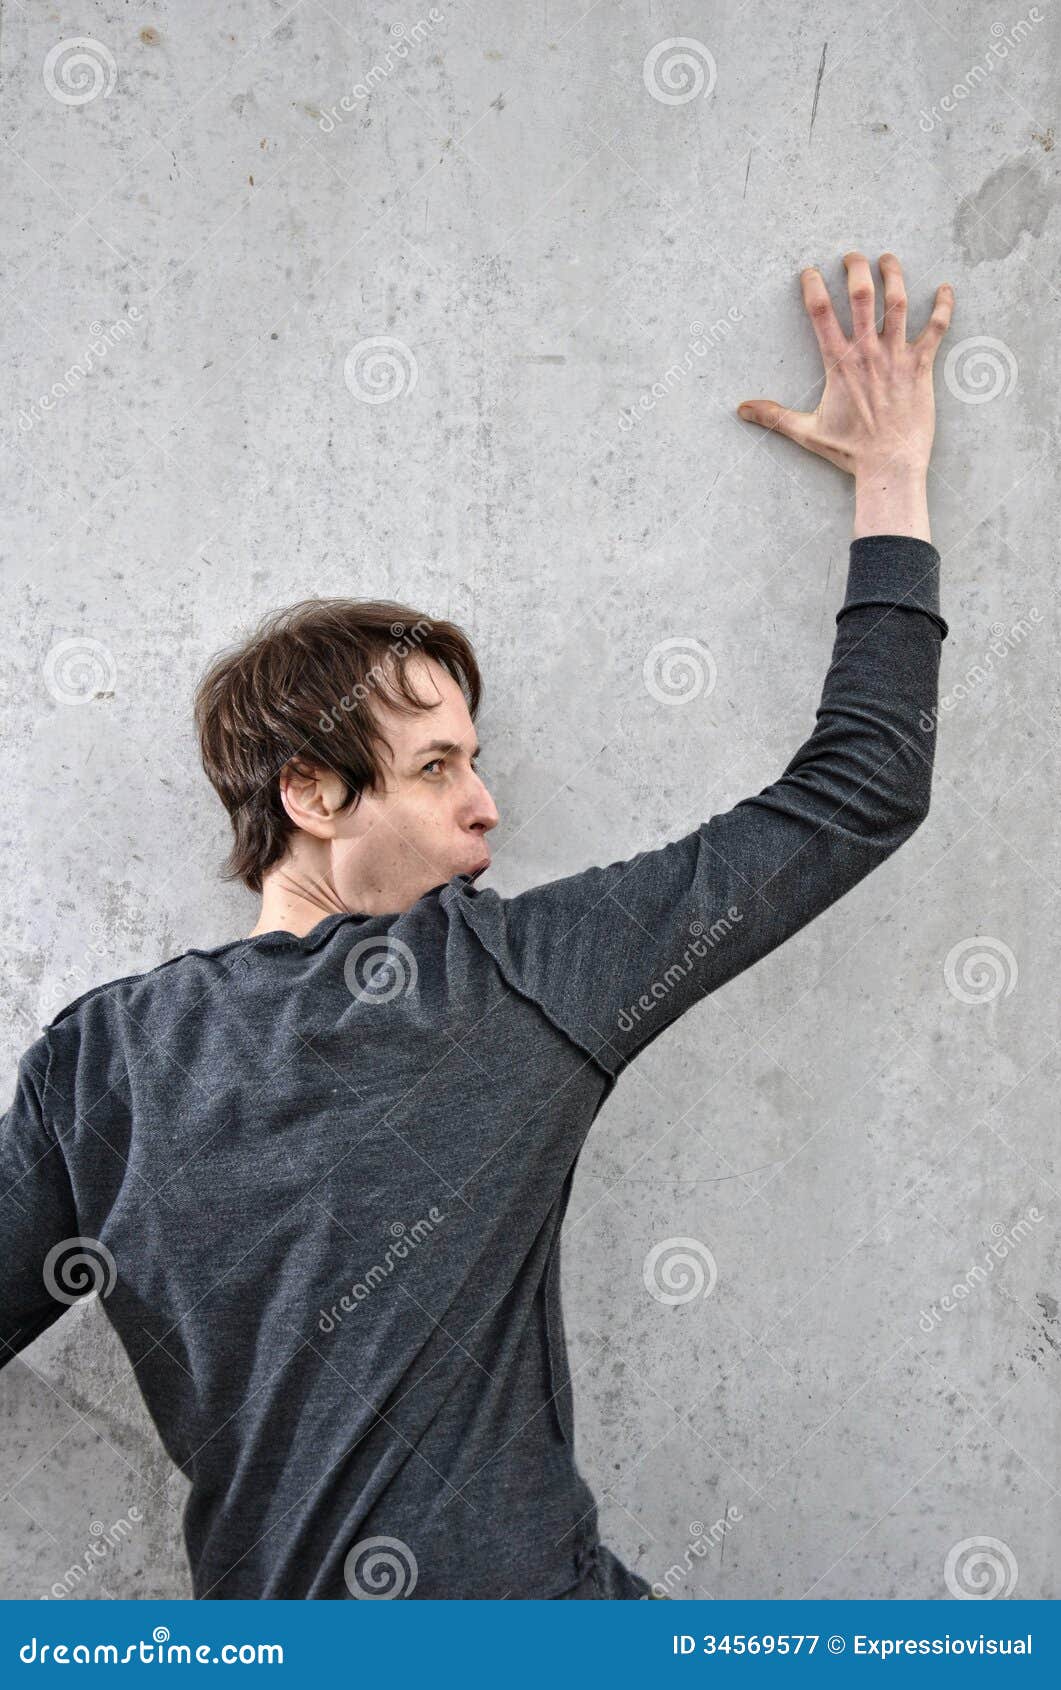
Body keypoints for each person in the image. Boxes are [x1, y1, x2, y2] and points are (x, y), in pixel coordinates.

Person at [1, 252, 952, 1600]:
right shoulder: (507, 972)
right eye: (439, 765)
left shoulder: (101, 1057)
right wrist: (890, 478)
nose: (488, 806)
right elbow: (862, 785)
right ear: (311, 791)